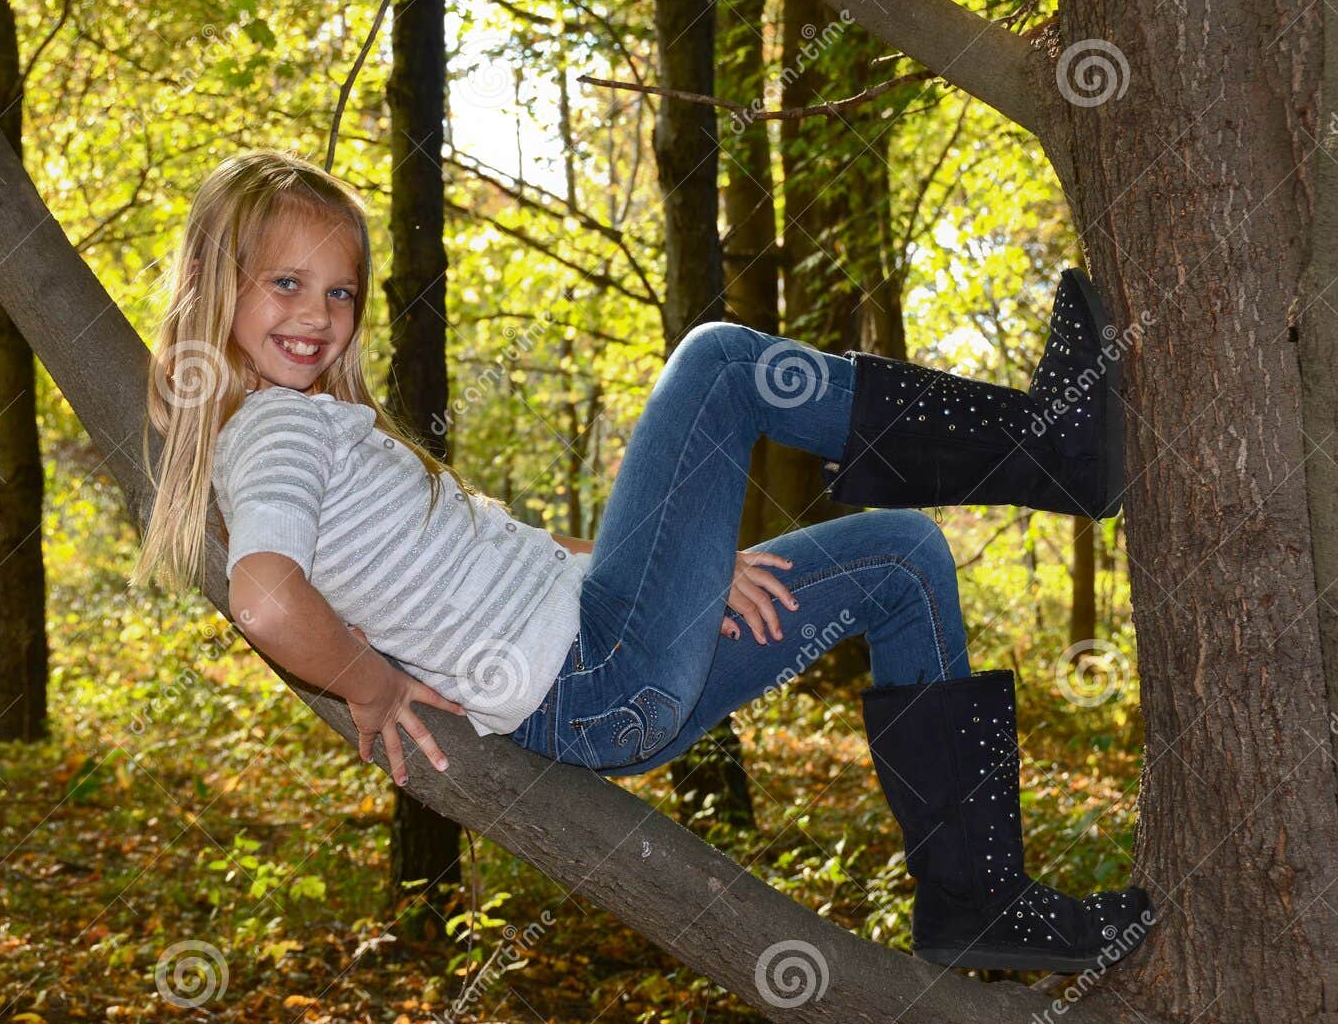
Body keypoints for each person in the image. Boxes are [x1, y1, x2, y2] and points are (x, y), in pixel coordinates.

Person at [131, 148, 1154, 975]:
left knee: (902, 559)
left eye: (340, 291)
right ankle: (1048, 449)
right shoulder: (276, 431)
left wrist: (691, 563)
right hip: (593, 671)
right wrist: (369, 684)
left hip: (609, 653)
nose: (316, 314)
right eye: (285, 284)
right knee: (716, 360)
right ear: (220, 284)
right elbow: (265, 596)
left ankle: (976, 896)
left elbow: (505, 553)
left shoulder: (320, 423)